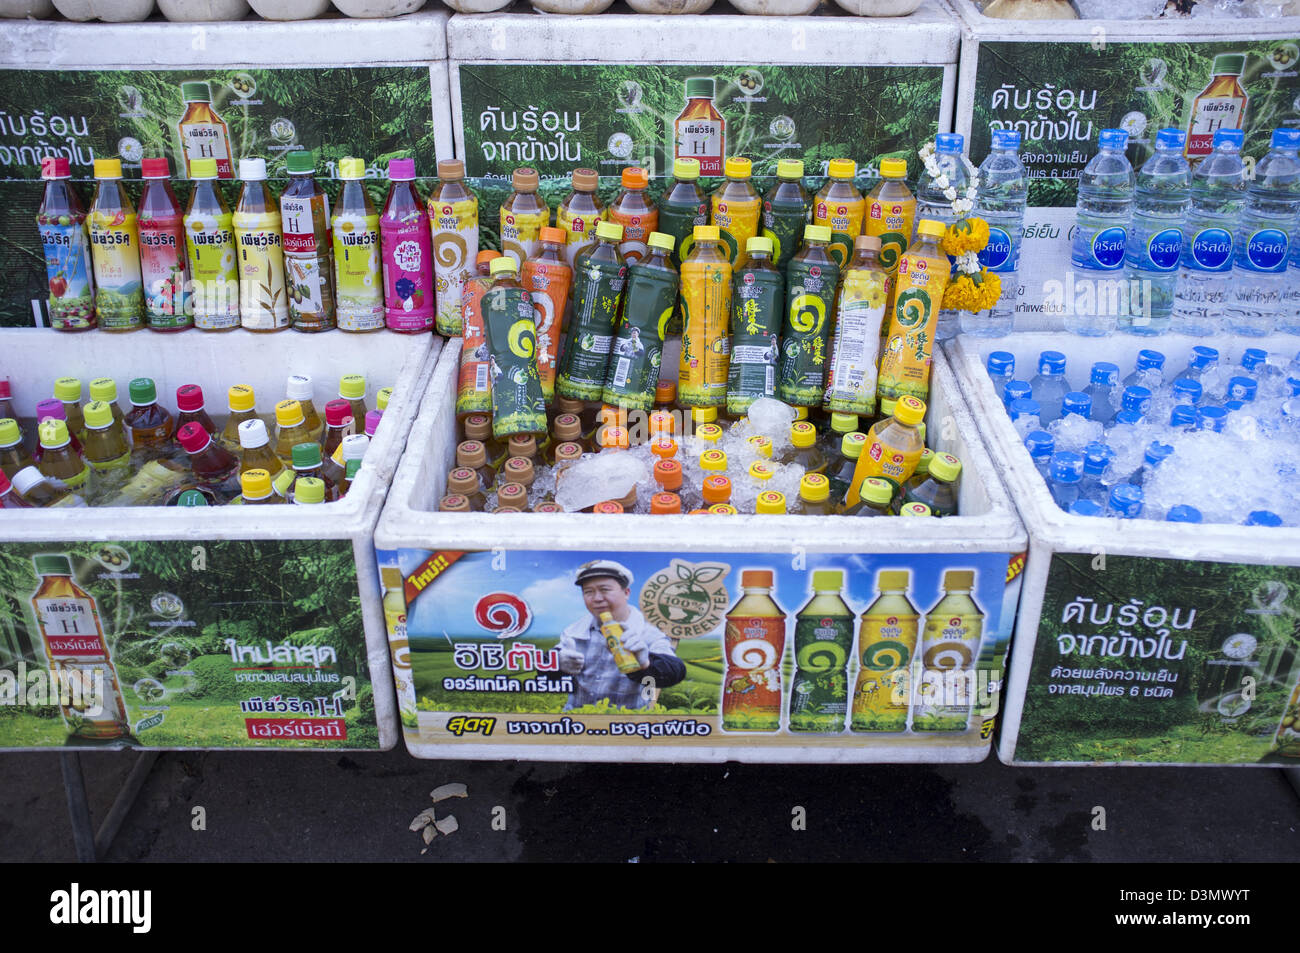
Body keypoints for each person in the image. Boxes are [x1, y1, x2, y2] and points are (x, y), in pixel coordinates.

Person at [557, 559, 685, 711]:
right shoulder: (574, 632)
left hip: (626, 726)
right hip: (576, 722)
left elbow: (675, 670)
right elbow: (544, 668)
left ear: (626, 593)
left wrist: (646, 664)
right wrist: (557, 664)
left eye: (604, 590)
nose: (597, 598)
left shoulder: (648, 633)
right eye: (588, 592)